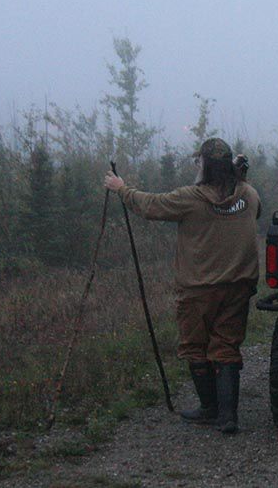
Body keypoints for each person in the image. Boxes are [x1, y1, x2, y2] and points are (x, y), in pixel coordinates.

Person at [103, 138, 261, 434]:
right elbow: (250, 208)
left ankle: (210, 409)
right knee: (226, 347)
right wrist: (240, 178)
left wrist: (121, 188)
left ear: (203, 166)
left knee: (194, 347)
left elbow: (150, 206)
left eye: (198, 162)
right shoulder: (249, 195)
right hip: (238, 287)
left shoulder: (190, 198)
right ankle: (228, 417)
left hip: (198, 289)